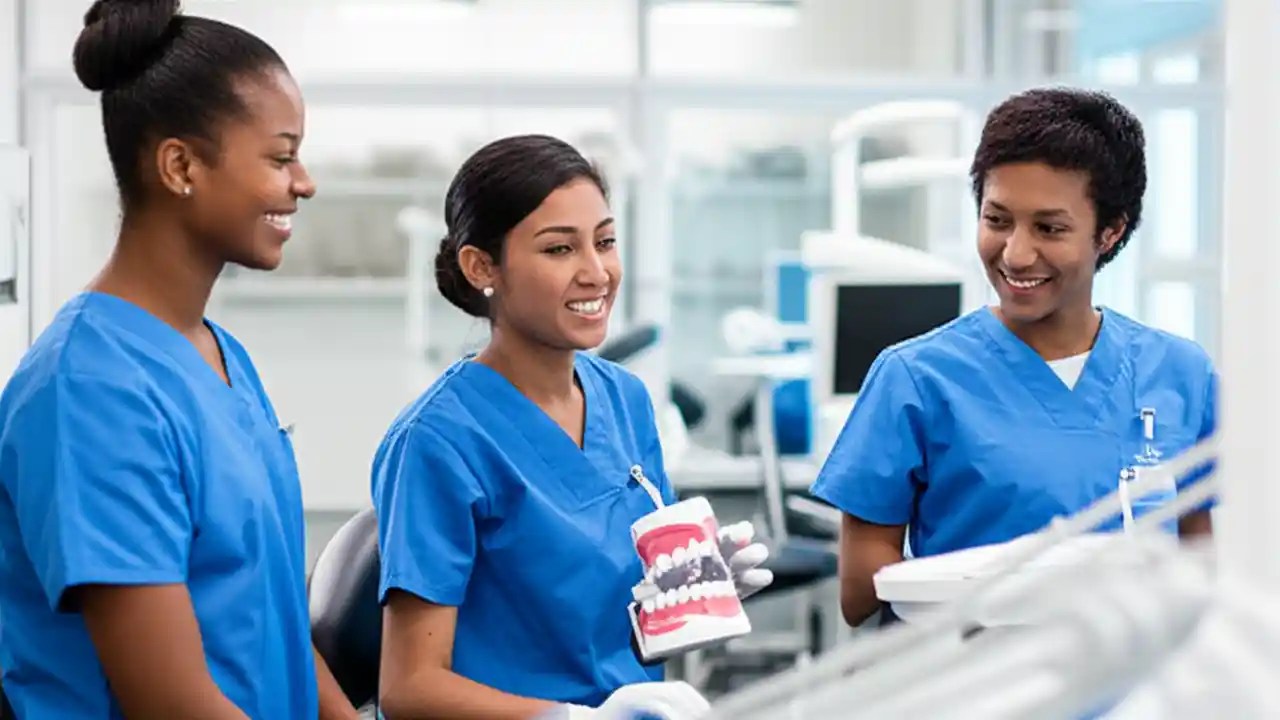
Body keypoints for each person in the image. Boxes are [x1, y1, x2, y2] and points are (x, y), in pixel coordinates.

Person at [0, 2, 359, 718]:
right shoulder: (89, 390)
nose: (305, 182)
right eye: (281, 156)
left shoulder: (222, 357)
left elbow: (277, 621)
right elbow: (171, 702)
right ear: (180, 165)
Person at [371, 134, 773, 720]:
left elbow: (609, 634)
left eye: (605, 242)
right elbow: (409, 690)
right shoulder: (438, 442)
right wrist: (567, 719)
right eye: (560, 250)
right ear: (483, 266)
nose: (597, 272)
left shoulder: (625, 400)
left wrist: (693, 597)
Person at [809, 87, 1218, 628]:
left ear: (1110, 231)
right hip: (976, 687)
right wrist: (989, 599)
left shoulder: (1180, 374)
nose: (1016, 253)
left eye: (1050, 228)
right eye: (997, 220)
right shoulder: (915, 379)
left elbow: (1198, 569)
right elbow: (860, 593)